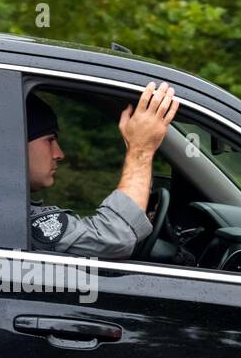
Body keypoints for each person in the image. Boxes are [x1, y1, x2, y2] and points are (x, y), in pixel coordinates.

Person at [27, 81, 180, 258]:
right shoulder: (13, 217)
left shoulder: (2, 208)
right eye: (50, 140)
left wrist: (137, 150)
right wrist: (140, 150)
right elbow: (112, 238)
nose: (59, 154)